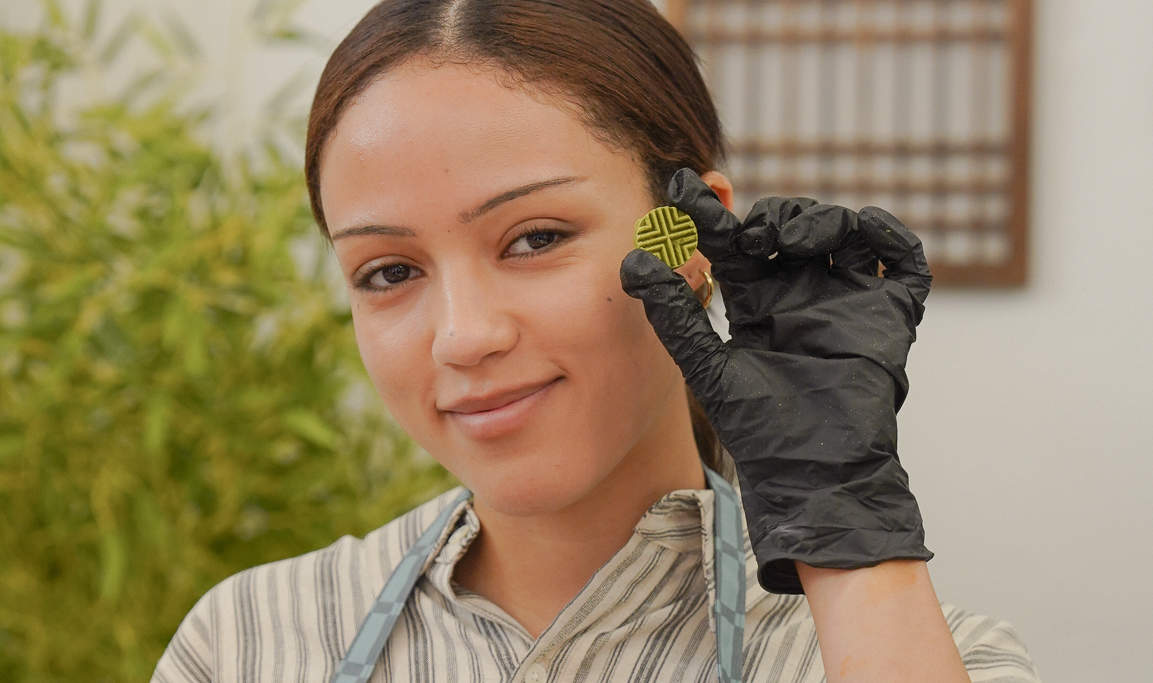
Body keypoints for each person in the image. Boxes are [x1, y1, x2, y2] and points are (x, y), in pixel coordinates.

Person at [153, 1, 1041, 681]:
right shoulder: (251, 643)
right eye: (389, 272)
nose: (463, 337)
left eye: (534, 238)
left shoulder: (914, 650)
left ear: (685, 241)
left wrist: (848, 535)